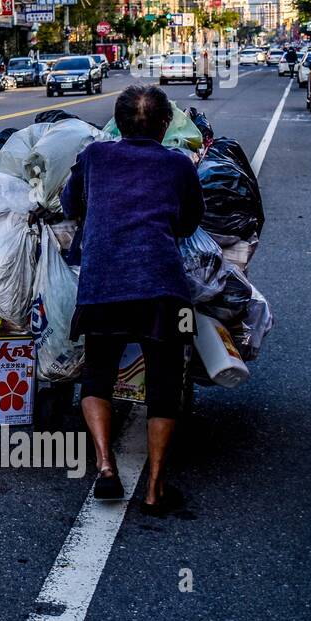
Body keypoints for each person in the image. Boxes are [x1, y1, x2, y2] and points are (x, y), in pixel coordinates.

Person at [60, 85, 205, 516]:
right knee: (165, 385)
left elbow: (70, 203)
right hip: (165, 291)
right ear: (165, 126)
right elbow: (189, 222)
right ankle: (156, 488)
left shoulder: (95, 157)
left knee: (97, 374)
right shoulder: (178, 164)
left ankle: (106, 467)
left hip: (103, 286)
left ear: (117, 124)